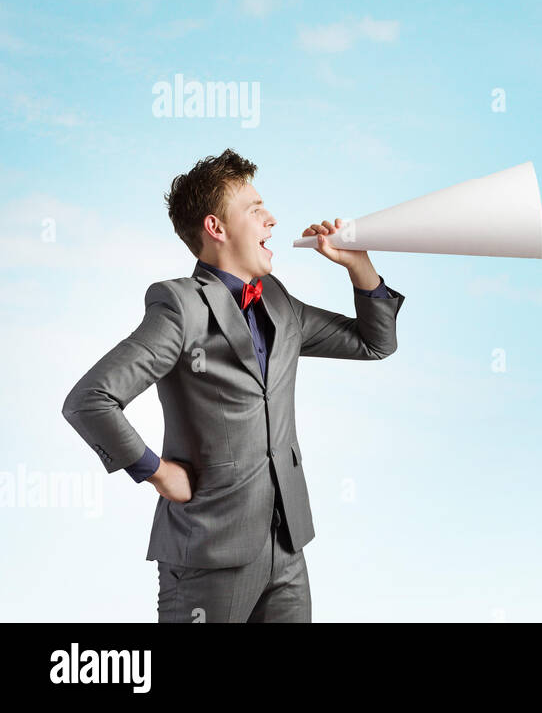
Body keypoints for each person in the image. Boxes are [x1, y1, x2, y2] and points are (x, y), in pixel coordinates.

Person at [61, 149, 405, 622]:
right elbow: (90, 400)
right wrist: (155, 471)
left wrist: (357, 265)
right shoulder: (180, 307)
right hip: (207, 552)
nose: (272, 219)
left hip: (286, 548)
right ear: (216, 228)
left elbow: (375, 343)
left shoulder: (280, 302)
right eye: (255, 208)